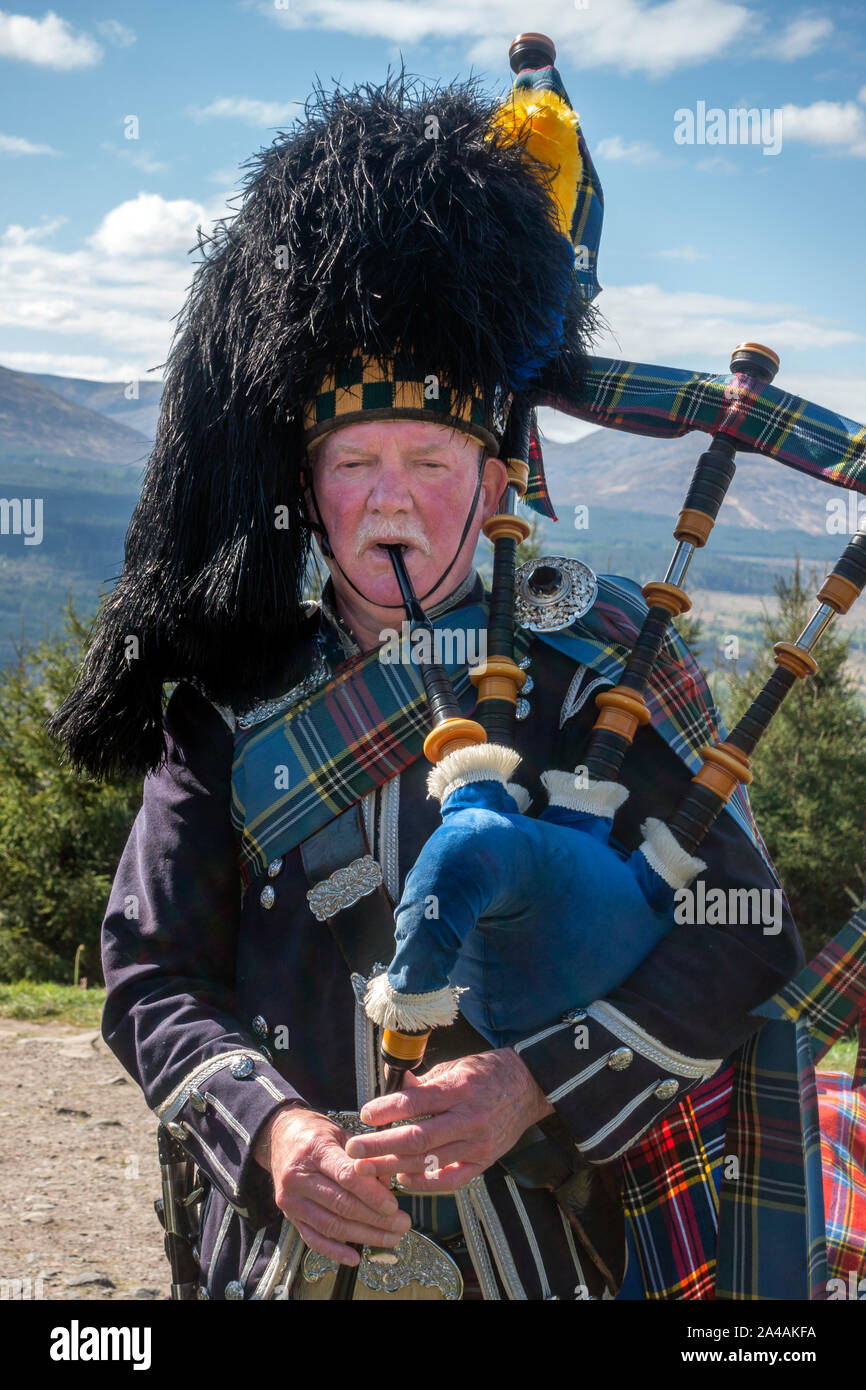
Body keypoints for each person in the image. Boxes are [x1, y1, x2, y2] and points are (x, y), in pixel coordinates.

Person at [46, 53, 814, 1301]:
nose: (391, 497)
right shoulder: (225, 705)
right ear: (307, 489)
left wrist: (528, 1085)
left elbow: (742, 929)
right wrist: (274, 1133)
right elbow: (150, 970)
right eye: (355, 461)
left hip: (550, 1252)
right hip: (286, 1253)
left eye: (430, 457)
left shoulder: (600, 661)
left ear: (499, 482)